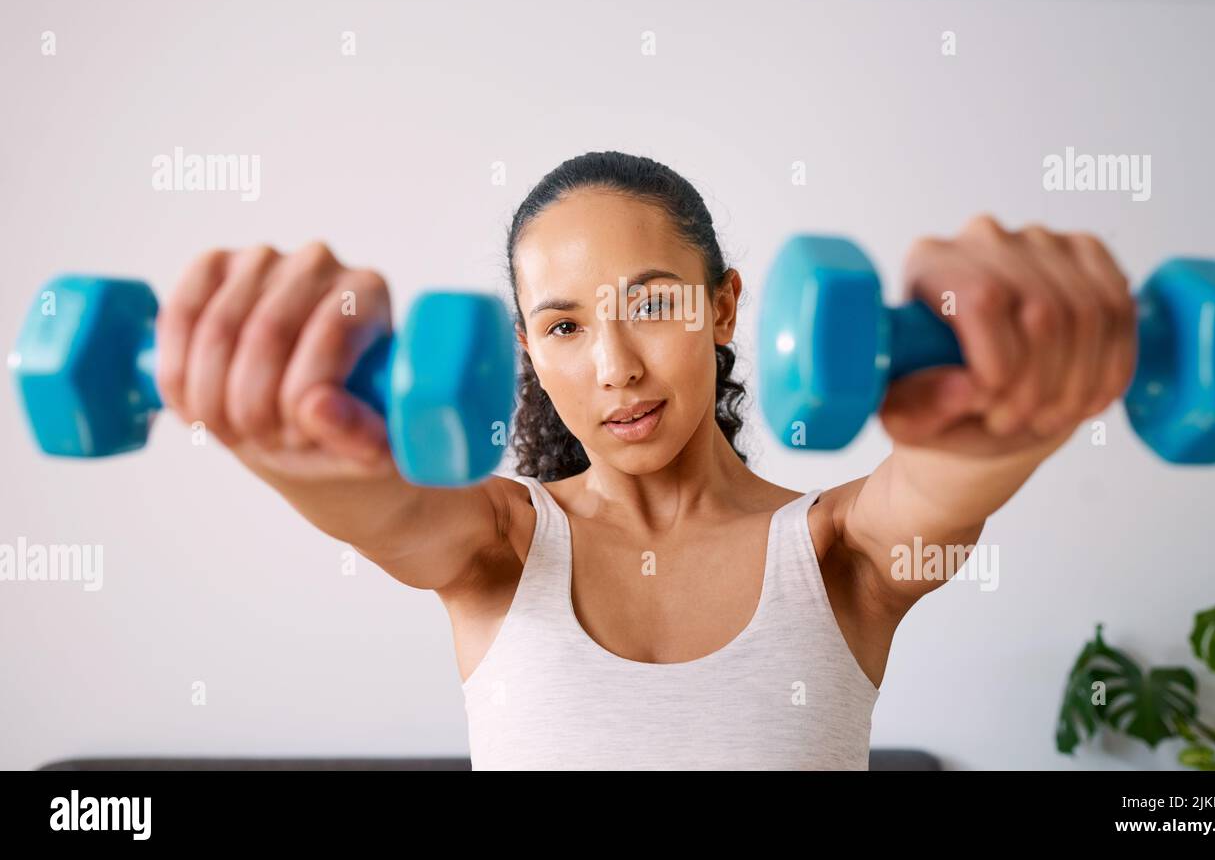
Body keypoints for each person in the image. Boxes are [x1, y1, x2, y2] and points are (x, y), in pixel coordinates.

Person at [156, 150, 1137, 770]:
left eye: (655, 302)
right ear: (529, 349)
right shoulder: (497, 543)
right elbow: (383, 506)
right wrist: (294, 433)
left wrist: (1019, 397)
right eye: (565, 325)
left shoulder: (839, 553)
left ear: (722, 307)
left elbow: (944, 478)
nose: (615, 366)